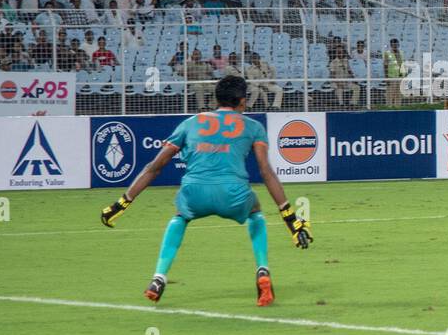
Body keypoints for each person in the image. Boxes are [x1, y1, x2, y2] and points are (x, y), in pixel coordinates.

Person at [99, 75, 312, 305]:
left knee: (180, 216)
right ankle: (262, 270)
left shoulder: (190, 122)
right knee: (255, 210)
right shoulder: (253, 127)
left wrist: (122, 202)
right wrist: (291, 220)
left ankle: (158, 277)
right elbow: (266, 172)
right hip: (234, 194)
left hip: (194, 193)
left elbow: (154, 167)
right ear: (242, 100)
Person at [383, 37, 405, 106]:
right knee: (390, 94)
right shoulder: (387, 53)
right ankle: (388, 107)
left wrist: (403, 74)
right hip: (391, 77)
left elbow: (402, 64)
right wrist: (386, 77)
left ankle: (397, 107)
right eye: (393, 44)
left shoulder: (401, 53)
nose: (395, 46)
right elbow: (385, 66)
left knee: (398, 93)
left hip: (399, 76)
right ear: (391, 45)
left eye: (396, 44)